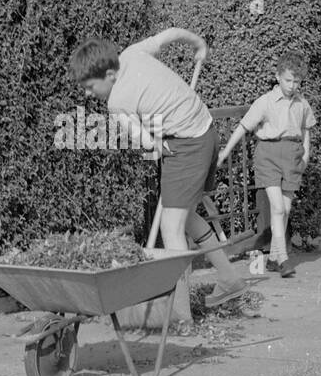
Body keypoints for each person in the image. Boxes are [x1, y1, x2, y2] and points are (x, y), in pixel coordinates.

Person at [69, 30, 251, 307]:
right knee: (187, 218)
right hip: (206, 131)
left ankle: (179, 311)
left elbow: (146, 142)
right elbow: (170, 34)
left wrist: (160, 148)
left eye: (91, 86)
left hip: (187, 145)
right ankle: (229, 280)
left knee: (171, 228)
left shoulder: (117, 102)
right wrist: (198, 43)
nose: (87, 93)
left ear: (108, 75)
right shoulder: (131, 53)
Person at [217, 52, 317, 277]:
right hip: (268, 154)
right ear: (278, 77)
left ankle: (272, 258)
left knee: (286, 210)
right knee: (278, 208)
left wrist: (306, 155)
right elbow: (243, 127)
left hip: (292, 155)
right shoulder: (265, 102)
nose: (292, 86)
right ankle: (283, 259)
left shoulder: (302, 104)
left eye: (297, 81)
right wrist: (225, 152)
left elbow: (306, 130)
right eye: (288, 80)